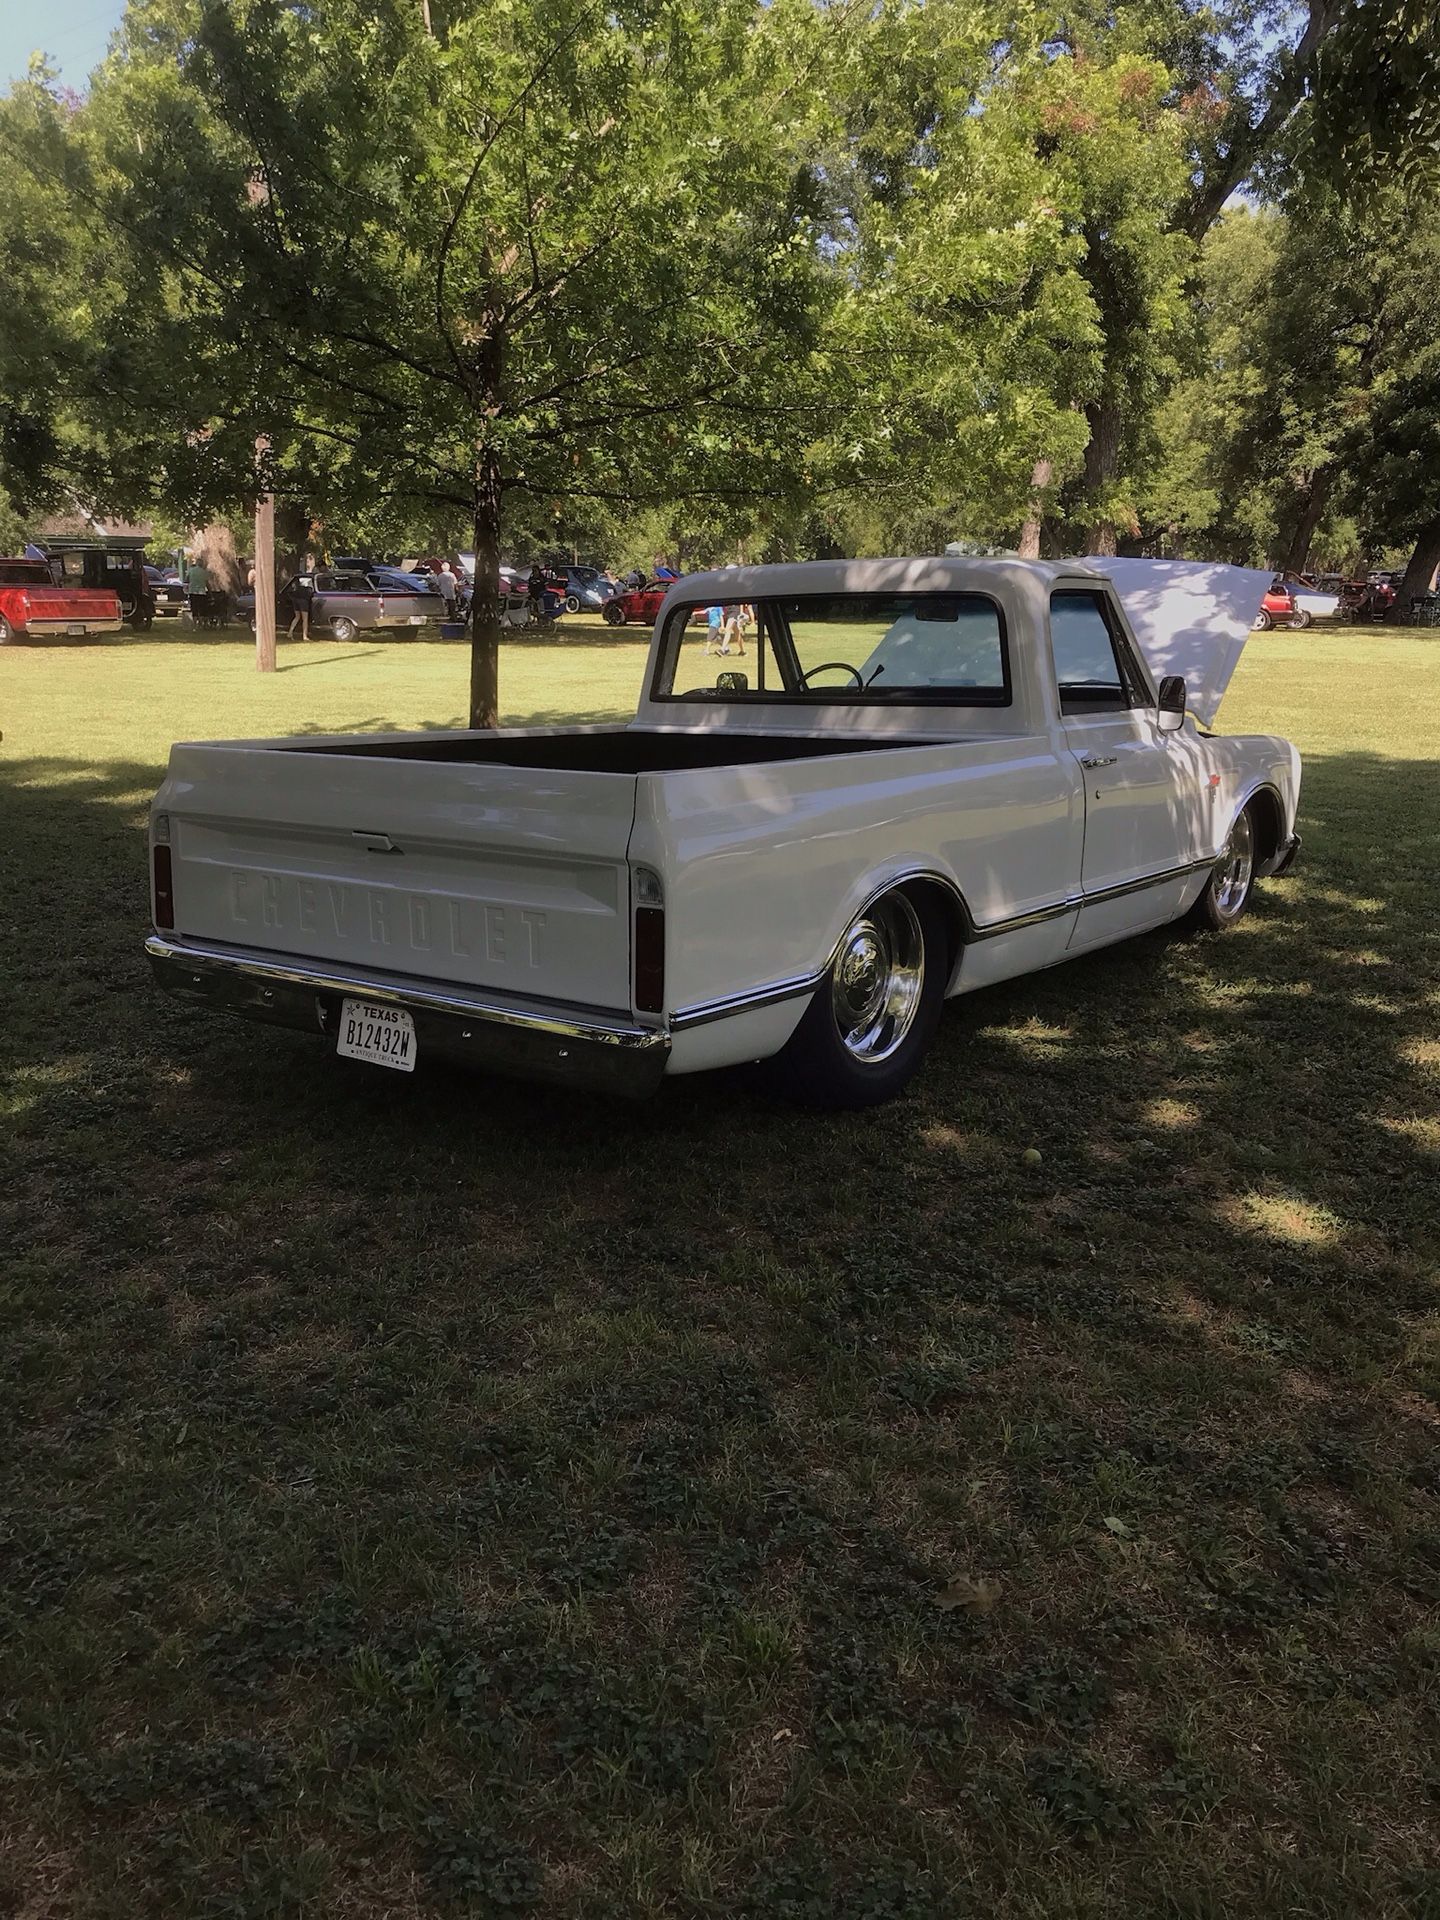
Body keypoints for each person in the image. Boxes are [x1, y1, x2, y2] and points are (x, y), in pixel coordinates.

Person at [286, 557, 316, 640]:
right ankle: (304, 636)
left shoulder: (301, 577)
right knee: (305, 619)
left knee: (297, 617)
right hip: (304, 598)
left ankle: (290, 632)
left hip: (297, 597)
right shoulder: (310, 577)